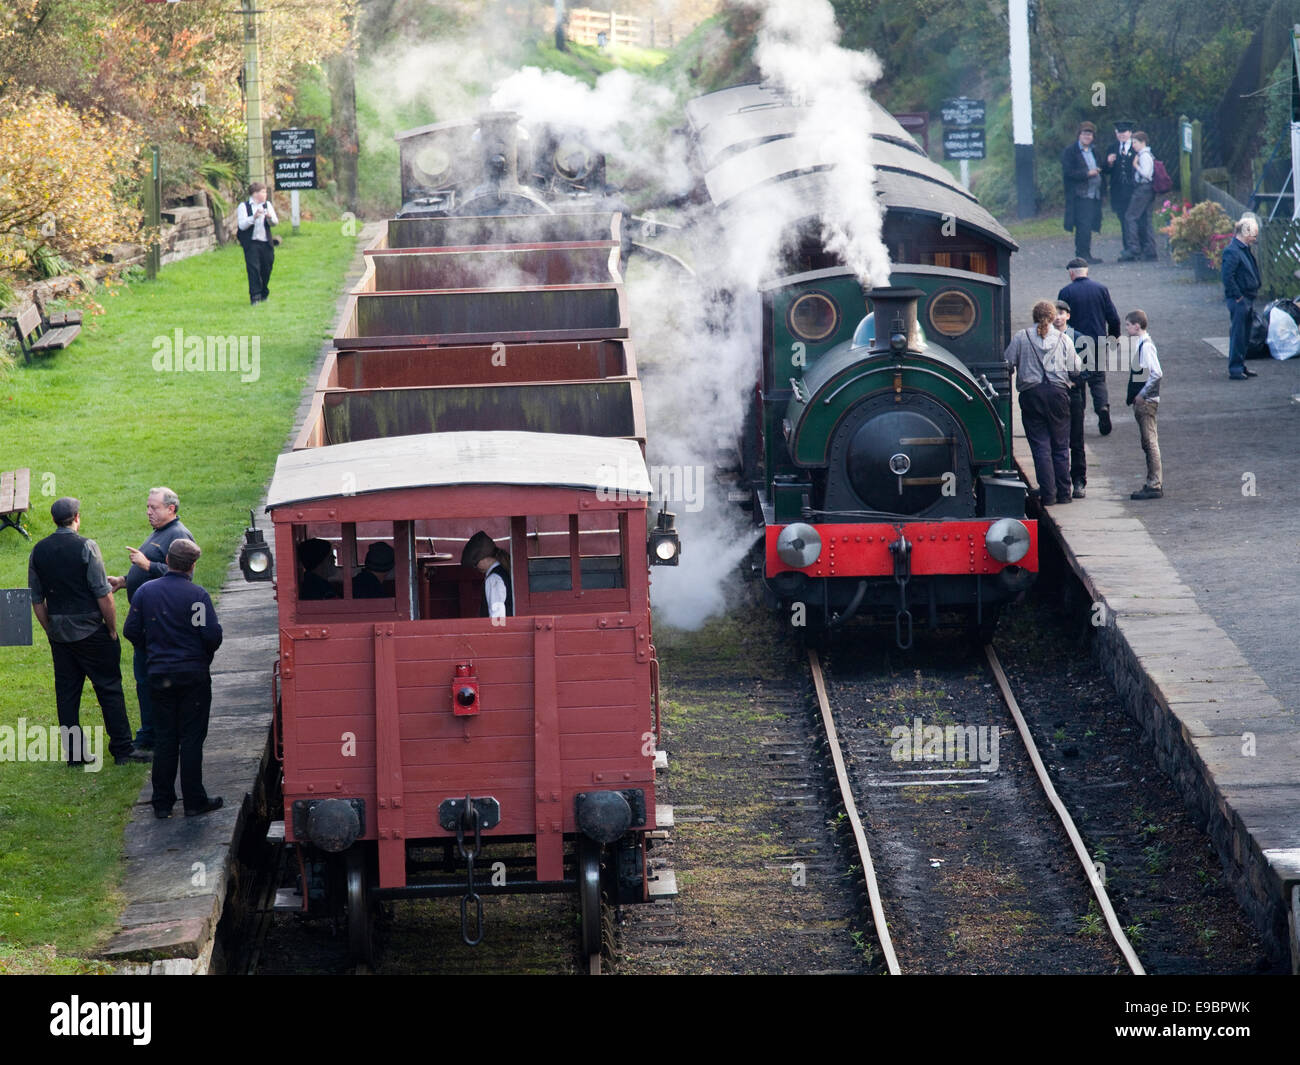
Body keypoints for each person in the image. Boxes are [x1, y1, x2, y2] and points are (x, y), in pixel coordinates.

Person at [28, 497, 150, 767]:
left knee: (67, 695)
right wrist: (111, 629)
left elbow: (37, 600)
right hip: (92, 631)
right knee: (109, 689)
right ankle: (122, 749)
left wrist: (51, 629)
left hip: (60, 633)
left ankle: (74, 754)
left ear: (52, 520)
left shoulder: (38, 551)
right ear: (77, 518)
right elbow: (103, 595)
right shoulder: (87, 547)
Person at [124, 539, 224, 818]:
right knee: (191, 738)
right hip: (193, 676)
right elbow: (210, 636)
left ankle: (162, 802)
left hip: (159, 675)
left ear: (167, 560)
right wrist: (198, 654)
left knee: (166, 738)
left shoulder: (146, 593)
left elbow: (131, 630)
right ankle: (194, 801)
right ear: (193, 565)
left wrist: (152, 647)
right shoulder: (197, 597)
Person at [108, 487, 192, 751]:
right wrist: (124, 581)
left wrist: (147, 566)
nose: (148, 512)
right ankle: (150, 731)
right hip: (148, 620)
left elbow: (183, 575)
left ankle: (153, 734)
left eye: (154, 508)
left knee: (149, 679)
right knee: (144, 679)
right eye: (147, 507)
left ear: (171, 509)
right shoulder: (161, 533)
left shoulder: (179, 535)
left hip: (160, 623)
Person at [1004, 300, 1079, 506]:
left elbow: (1007, 363)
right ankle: (1065, 492)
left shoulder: (1022, 337)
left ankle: (1048, 494)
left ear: (1034, 316)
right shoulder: (1063, 339)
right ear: (1053, 316)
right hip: (1058, 395)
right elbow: (1076, 369)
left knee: (1040, 446)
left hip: (1031, 395)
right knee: (1061, 446)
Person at [1057, 258, 1118, 435]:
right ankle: (1102, 408)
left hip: (1074, 343)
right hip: (1097, 341)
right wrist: (1112, 340)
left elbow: (1060, 319)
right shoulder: (1101, 289)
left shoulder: (1065, 292)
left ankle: (1078, 418)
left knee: (1077, 379)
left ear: (1071, 273)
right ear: (1087, 271)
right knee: (1098, 379)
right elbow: (1113, 318)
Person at [1124, 310, 1164, 500]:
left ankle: (1154, 484)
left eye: (1128, 325)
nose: (1126, 328)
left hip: (1146, 403)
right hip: (1146, 401)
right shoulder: (1142, 345)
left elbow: (1156, 373)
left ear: (1137, 326)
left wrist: (1141, 394)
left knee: (1150, 442)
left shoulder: (1146, 347)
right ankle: (1152, 481)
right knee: (1147, 442)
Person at [1054, 300, 1089, 498]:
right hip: (1055, 393)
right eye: (1055, 313)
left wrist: (1074, 381)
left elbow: (1090, 369)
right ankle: (1059, 481)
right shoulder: (1045, 338)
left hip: (1073, 393)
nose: (1058, 316)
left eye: (1062, 313)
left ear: (1068, 315)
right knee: (1056, 440)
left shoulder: (1079, 338)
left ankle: (1079, 480)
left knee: (1076, 439)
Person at [1221, 214, 1261, 381]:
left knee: (1244, 335)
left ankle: (1240, 365)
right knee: (1239, 334)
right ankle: (1236, 368)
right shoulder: (1233, 250)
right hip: (1240, 298)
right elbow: (1227, 276)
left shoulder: (1240, 249)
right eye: (1253, 233)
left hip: (1246, 297)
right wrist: (1238, 296)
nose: (1255, 237)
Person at [1061, 121, 1104, 263]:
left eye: (1090, 134)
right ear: (1079, 135)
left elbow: (1101, 167)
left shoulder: (1094, 151)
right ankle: (1082, 255)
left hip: (1094, 194)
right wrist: (1087, 174)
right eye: (1084, 133)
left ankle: (1086, 254)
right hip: (1080, 195)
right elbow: (1068, 173)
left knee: (1089, 225)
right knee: (1083, 226)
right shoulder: (1070, 151)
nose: (1087, 136)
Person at [1118, 131, 1159, 262]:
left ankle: (1133, 248)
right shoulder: (1144, 155)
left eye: (1135, 142)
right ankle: (1150, 250)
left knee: (1130, 216)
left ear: (1143, 142)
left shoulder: (1144, 156)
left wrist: (1136, 165)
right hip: (1147, 189)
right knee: (1145, 218)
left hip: (1143, 188)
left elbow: (1147, 174)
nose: (1133, 145)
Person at [236, 182, 278, 305]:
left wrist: (269, 218)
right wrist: (253, 218)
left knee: (267, 267)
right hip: (251, 243)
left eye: (265, 192)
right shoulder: (244, 207)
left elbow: (275, 222)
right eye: (263, 192)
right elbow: (242, 225)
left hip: (266, 242)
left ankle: (264, 292)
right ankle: (255, 296)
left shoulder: (267, 205)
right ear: (255, 194)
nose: (265, 194)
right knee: (253, 269)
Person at [460, 532, 513, 619]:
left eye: (476, 563)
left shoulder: (493, 579)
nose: (476, 567)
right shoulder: (504, 570)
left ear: (485, 558)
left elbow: (497, 618)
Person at [1102, 120, 1136, 232]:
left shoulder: (1136, 146)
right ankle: (1127, 246)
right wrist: (1109, 163)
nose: (1121, 134)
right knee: (1122, 217)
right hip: (1118, 190)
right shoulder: (1112, 148)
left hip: (1133, 189)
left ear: (1130, 132)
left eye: (1124, 132)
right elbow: (1105, 170)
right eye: (1118, 132)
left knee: (1134, 218)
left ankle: (1139, 246)